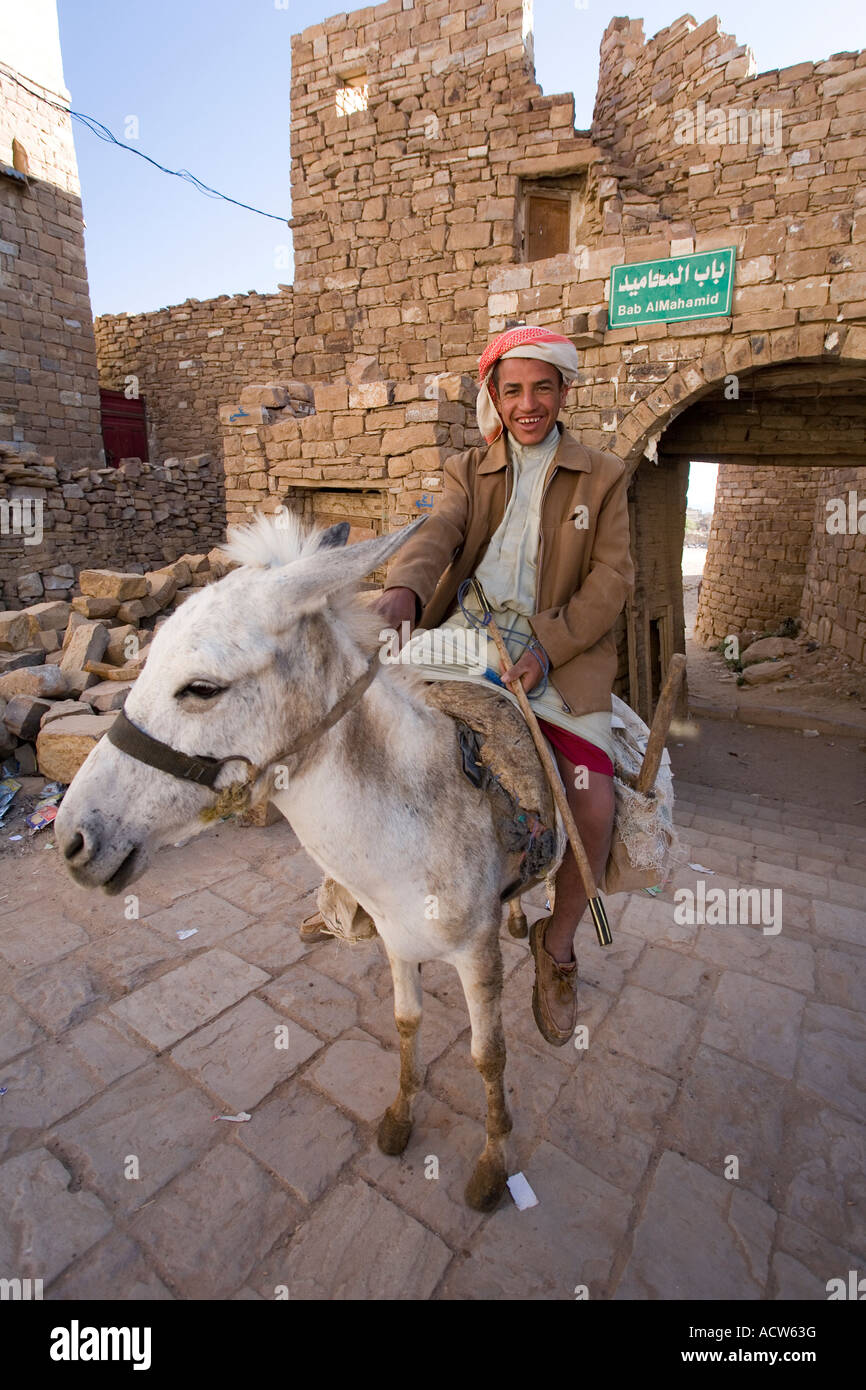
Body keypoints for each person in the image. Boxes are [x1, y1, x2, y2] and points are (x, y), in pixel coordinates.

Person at [374, 325, 635, 1046]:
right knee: (370, 734)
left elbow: (613, 580)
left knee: (594, 802)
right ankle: (354, 891)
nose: (529, 404)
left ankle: (558, 947)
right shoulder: (470, 469)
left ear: (563, 392)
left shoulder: (603, 478)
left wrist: (549, 649)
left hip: (558, 653)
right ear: (494, 394)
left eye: (543, 388)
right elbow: (440, 531)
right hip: (466, 636)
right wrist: (402, 591)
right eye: (513, 389)